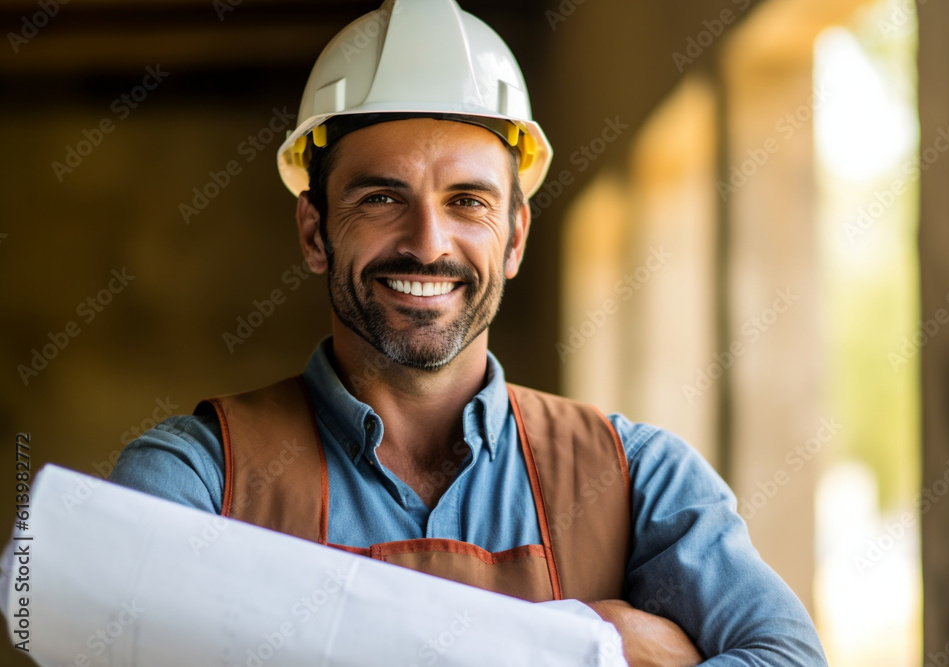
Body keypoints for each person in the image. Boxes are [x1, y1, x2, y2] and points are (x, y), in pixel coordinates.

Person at [109, 0, 828, 665]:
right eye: (381, 197)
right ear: (314, 232)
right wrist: (586, 644)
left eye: (467, 201)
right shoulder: (200, 478)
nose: (428, 243)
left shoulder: (637, 477)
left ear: (514, 237)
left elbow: (787, 655)